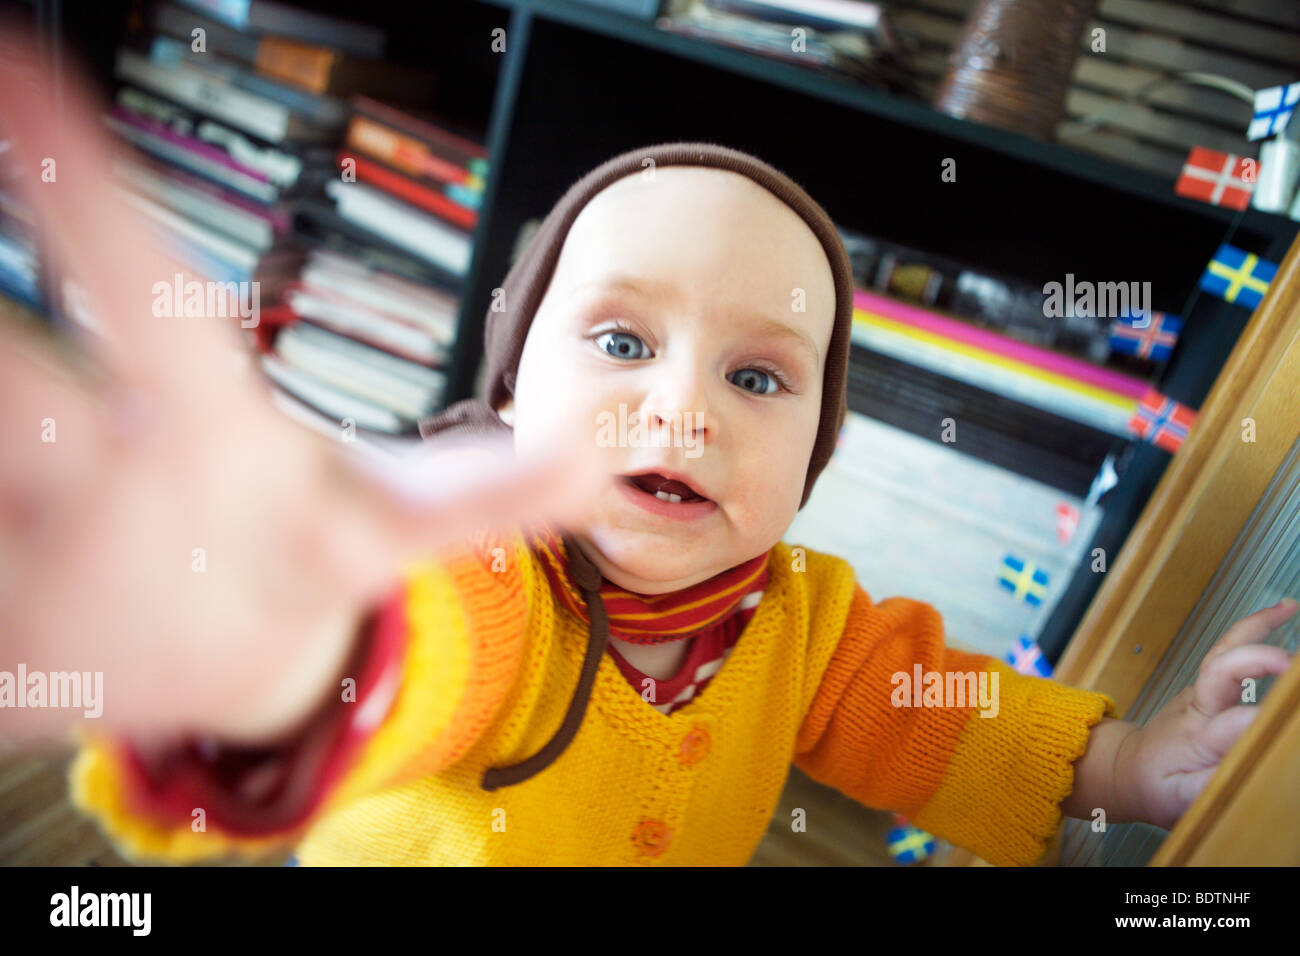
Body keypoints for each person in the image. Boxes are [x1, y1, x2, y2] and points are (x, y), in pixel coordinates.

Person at [1, 42, 1295, 866]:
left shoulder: (808, 622)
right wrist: (280, 649)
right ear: (513, 393)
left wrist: (1128, 765)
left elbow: (936, 719)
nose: (688, 412)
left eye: (757, 376)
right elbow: (408, 655)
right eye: (622, 343)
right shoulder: (488, 575)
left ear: (813, 457)